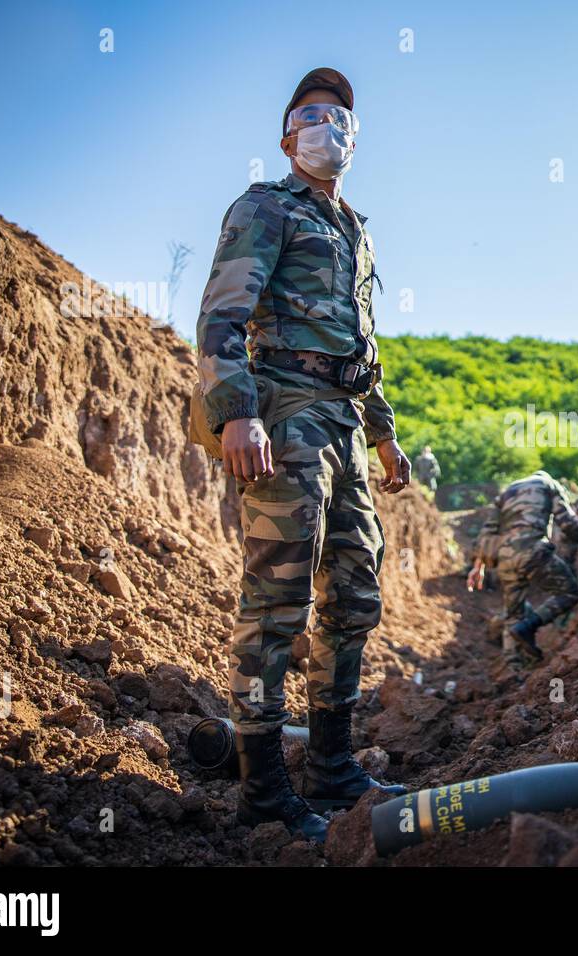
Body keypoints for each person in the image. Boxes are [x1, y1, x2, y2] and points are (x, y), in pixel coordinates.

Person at [195, 67, 410, 842]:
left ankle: (331, 767)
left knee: (352, 596)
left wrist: (384, 434)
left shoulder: (356, 227)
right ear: (288, 135)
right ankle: (262, 793)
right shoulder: (264, 206)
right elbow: (222, 316)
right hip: (282, 414)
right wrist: (236, 412)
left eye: (343, 118)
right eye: (314, 115)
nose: (332, 128)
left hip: (345, 423)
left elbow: (362, 346)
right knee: (278, 602)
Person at [466, 470, 578, 661]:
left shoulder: (507, 492)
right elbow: (568, 523)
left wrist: (478, 566)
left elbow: (487, 533)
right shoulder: (549, 485)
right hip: (533, 551)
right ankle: (529, 626)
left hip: (505, 557)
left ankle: (513, 666)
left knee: (514, 614)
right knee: (570, 592)